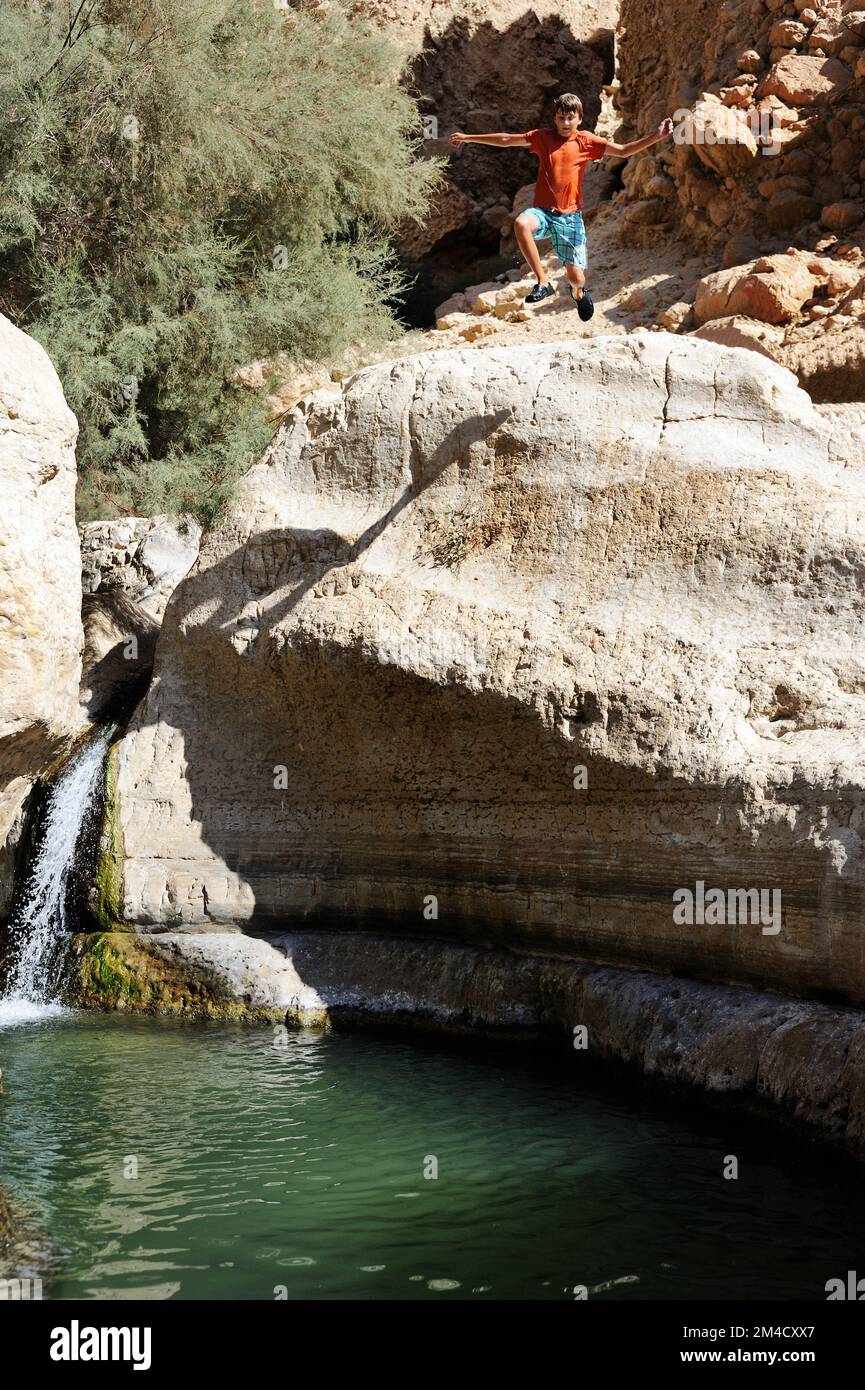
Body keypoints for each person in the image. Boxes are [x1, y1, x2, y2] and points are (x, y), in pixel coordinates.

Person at [449, 94, 675, 319]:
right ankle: (542, 281)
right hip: (544, 213)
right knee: (521, 223)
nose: (565, 123)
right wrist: (469, 137)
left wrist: (656, 136)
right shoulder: (543, 138)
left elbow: (624, 150)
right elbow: (507, 139)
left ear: (579, 119)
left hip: (570, 219)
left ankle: (578, 293)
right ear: (554, 119)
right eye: (561, 118)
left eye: (570, 118)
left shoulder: (586, 141)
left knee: (576, 278)